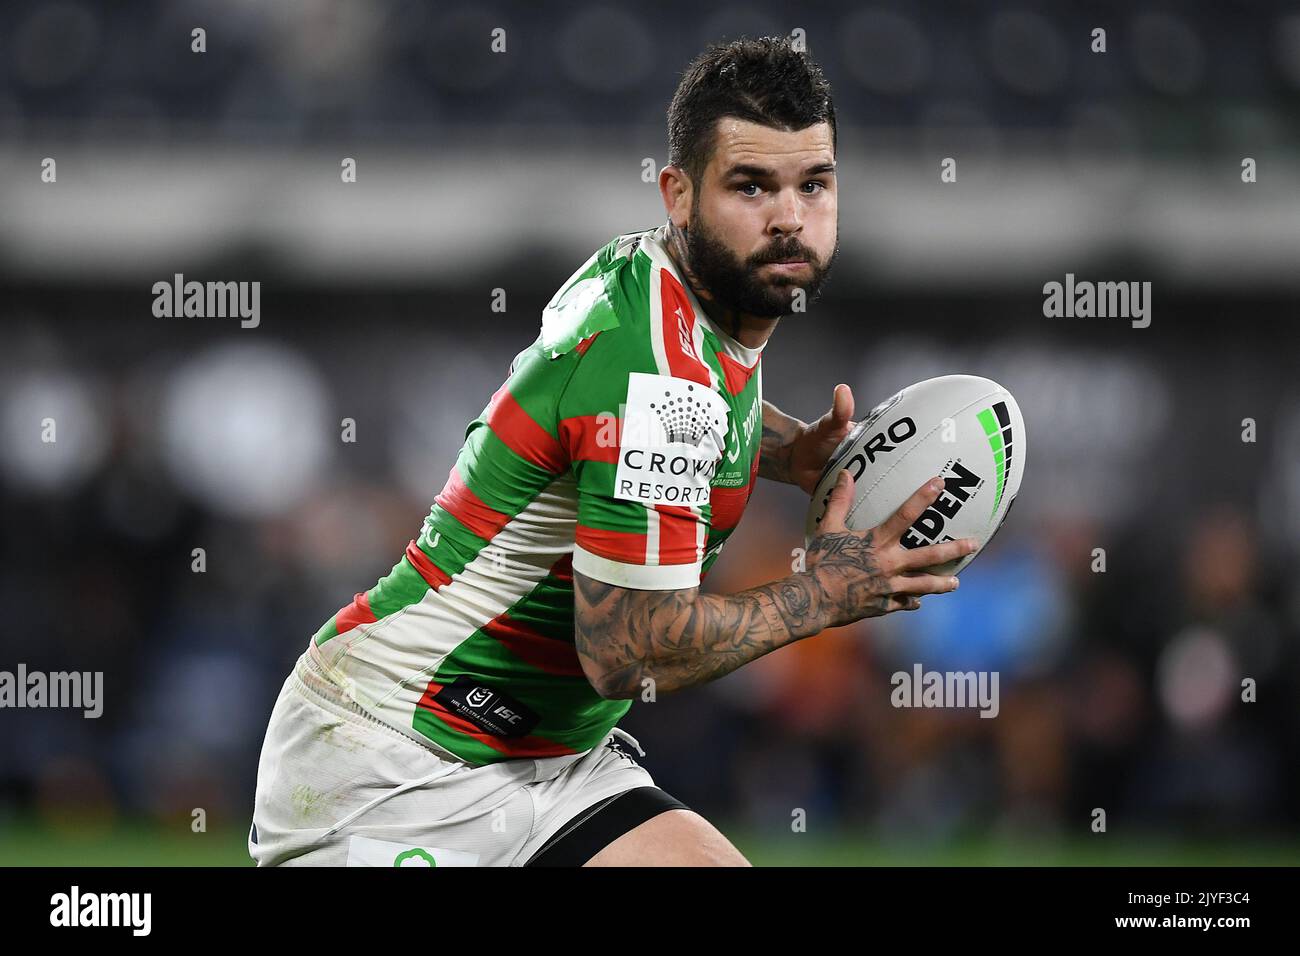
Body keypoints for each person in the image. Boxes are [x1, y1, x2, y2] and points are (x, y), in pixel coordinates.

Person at [249, 35, 975, 867]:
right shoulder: (657, 370)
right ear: (679, 193)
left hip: (539, 753)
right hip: (394, 758)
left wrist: (785, 450)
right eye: (751, 186)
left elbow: (643, 414)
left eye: (814, 183)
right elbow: (627, 650)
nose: (788, 215)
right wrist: (826, 595)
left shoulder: (664, 285)